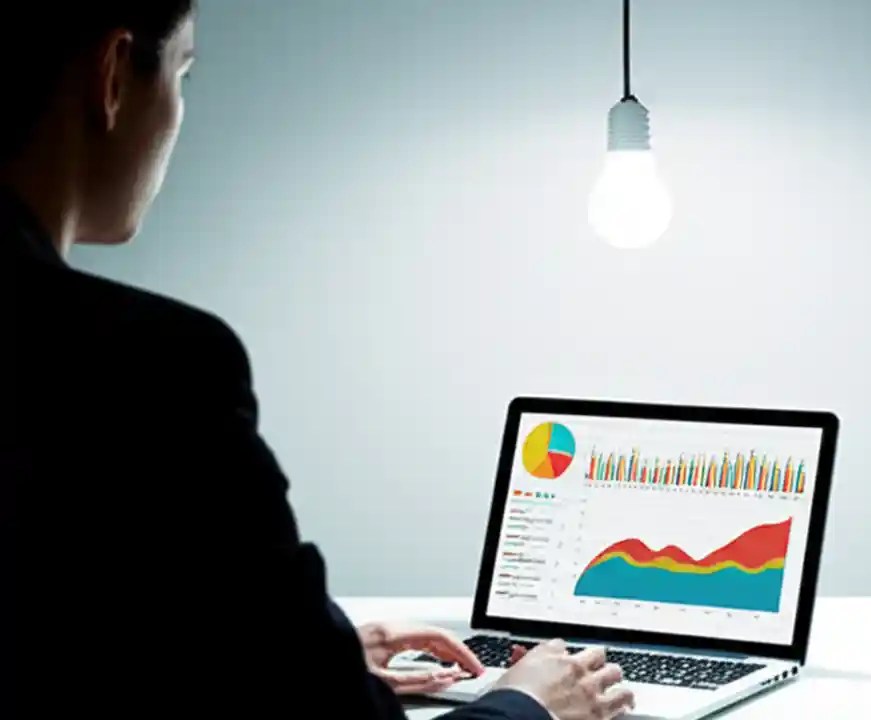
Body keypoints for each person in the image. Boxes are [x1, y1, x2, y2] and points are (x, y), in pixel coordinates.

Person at [0, 3, 635, 719]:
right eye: (181, 73)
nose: (178, 110)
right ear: (114, 76)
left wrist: (302, 659)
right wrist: (530, 704)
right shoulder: (151, 366)